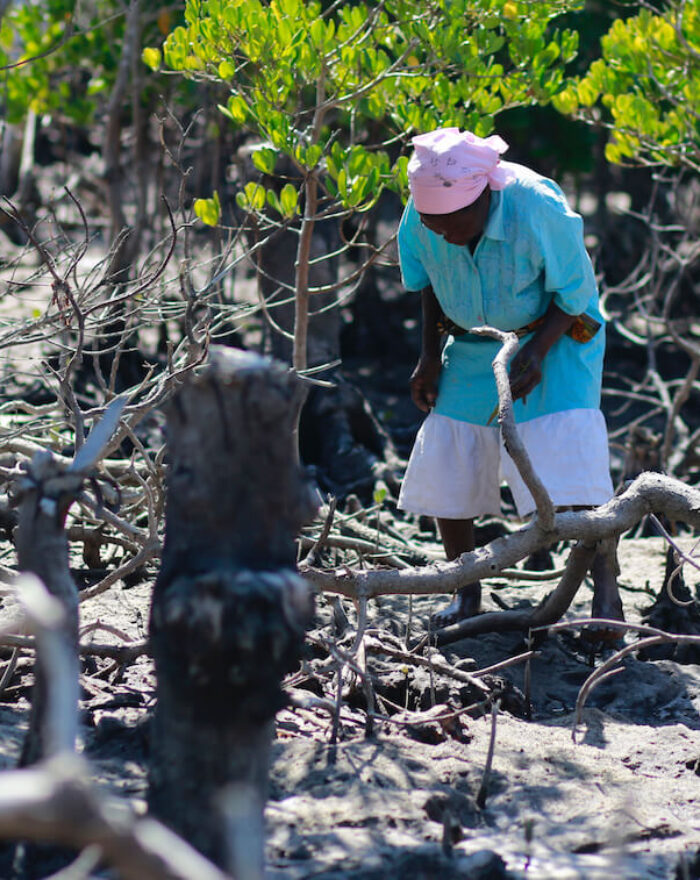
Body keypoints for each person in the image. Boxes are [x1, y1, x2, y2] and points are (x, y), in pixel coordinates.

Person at [396, 127, 622, 629]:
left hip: (558, 336)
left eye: (452, 223)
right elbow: (429, 281)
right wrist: (430, 355)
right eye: (431, 224)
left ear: (481, 198)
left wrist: (538, 351)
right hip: (472, 343)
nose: (442, 234)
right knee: (450, 454)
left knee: (569, 461)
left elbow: (574, 290)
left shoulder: (534, 206)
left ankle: (606, 593)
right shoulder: (424, 215)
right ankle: (463, 590)